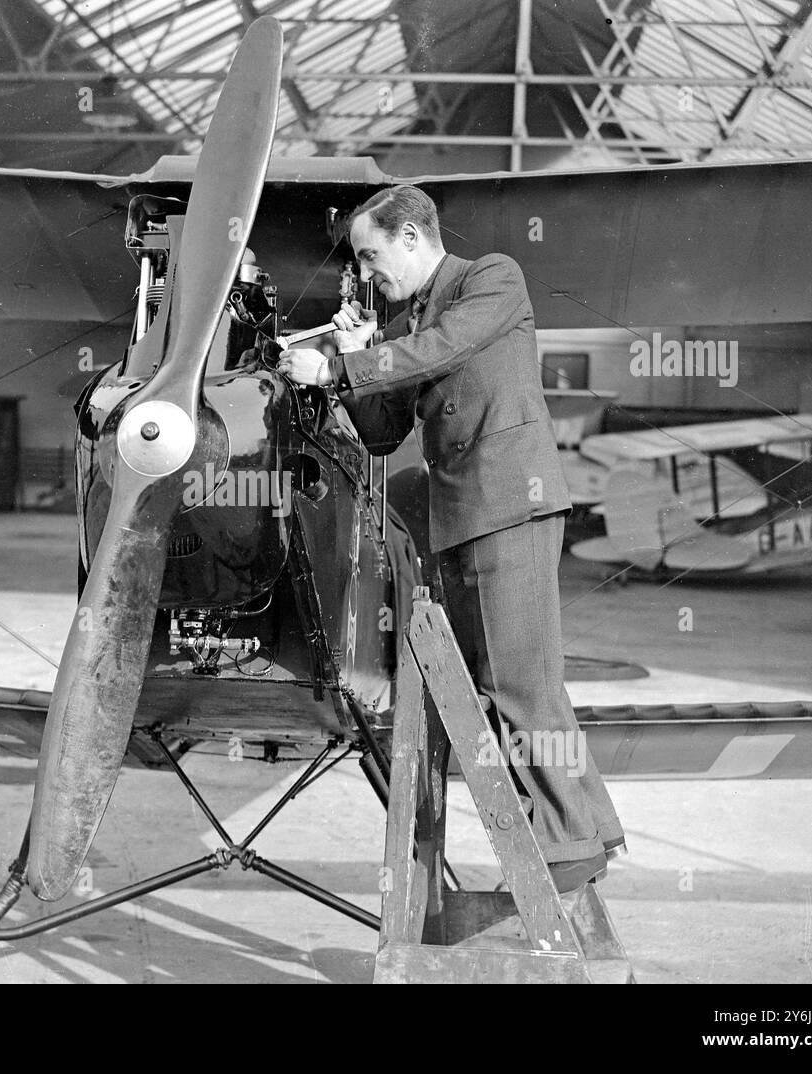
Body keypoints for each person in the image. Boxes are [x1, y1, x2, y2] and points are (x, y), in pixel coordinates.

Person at [277, 185, 625, 892]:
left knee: (521, 682)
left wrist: (343, 366)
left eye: (373, 256)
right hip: (460, 513)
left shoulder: (489, 278)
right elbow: (382, 434)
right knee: (502, 685)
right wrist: (355, 358)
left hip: (509, 504)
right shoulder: (409, 326)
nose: (369, 274)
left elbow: (447, 348)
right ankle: (588, 829)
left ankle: (565, 847)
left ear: (411, 236)